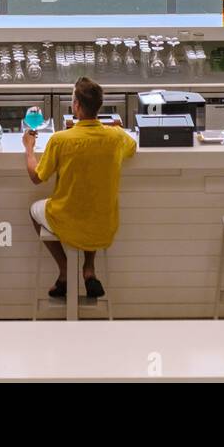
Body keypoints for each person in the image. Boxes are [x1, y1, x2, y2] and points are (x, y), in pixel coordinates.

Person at [23, 76, 136, 299]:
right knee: (91, 204)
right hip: (104, 224)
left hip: (67, 219)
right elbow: (132, 148)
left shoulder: (61, 139)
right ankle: (89, 269)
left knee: (34, 210)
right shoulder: (115, 137)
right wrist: (112, 129)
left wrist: (28, 149)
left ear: (76, 106)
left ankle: (65, 270)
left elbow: (37, 177)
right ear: (99, 106)